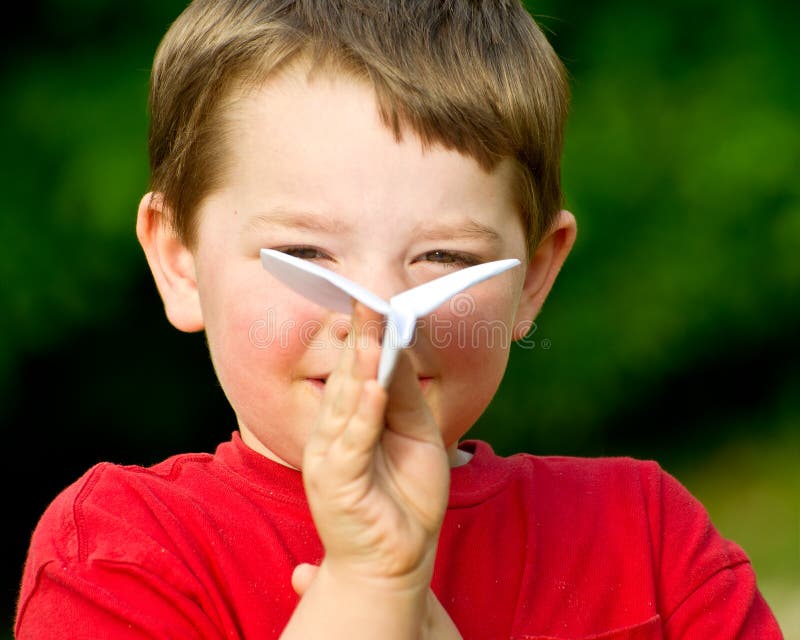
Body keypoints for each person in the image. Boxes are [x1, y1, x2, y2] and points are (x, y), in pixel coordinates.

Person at [15, 1, 783, 638]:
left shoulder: (649, 544)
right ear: (181, 261)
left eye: (444, 259)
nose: (377, 319)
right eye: (306, 253)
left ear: (535, 276)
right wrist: (368, 587)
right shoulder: (122, 554)